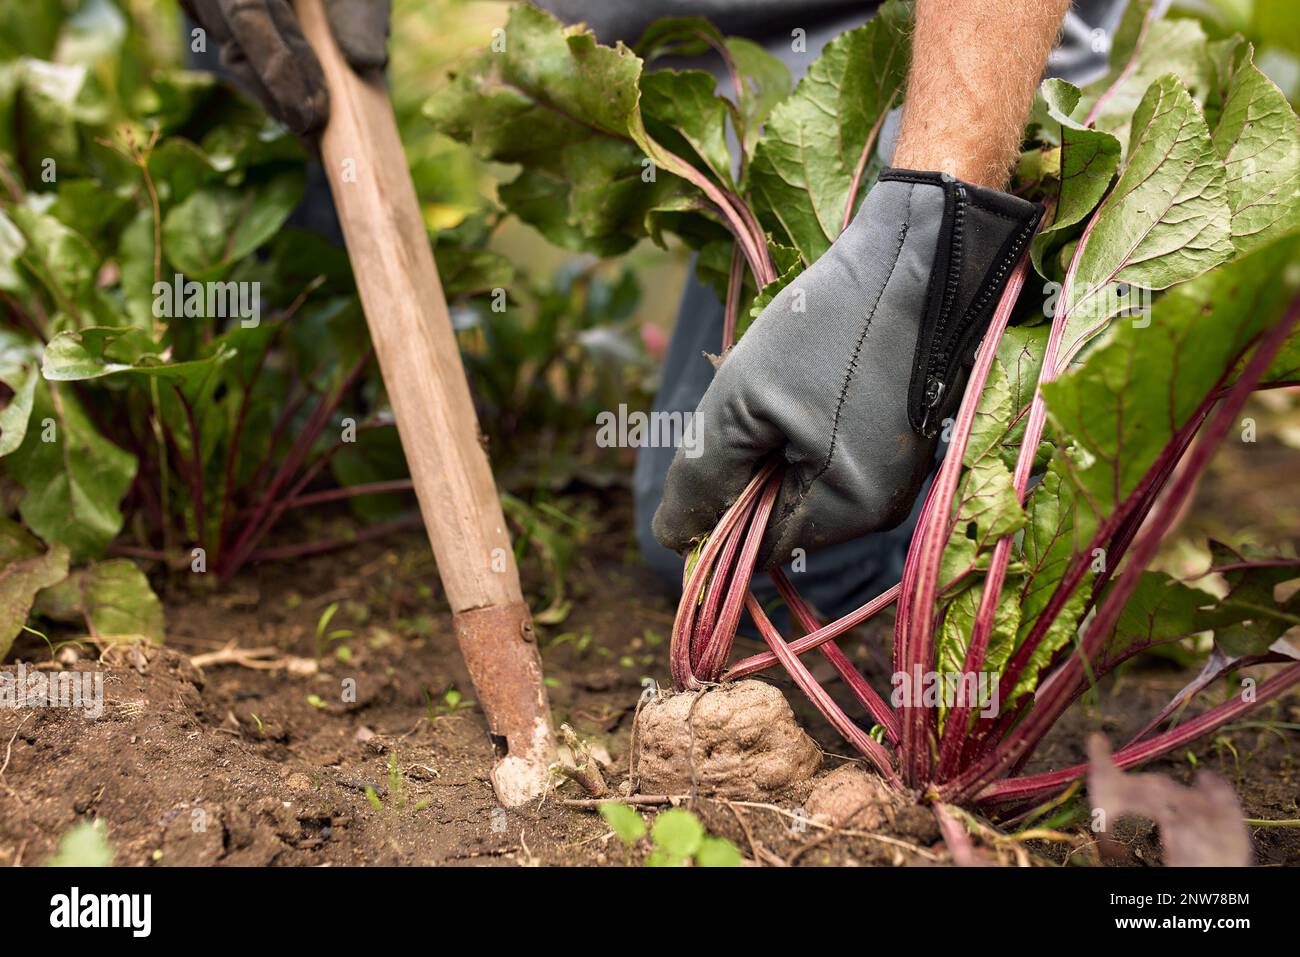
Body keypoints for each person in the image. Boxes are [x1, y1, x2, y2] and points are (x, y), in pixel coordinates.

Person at [181, 0, 1125, 620]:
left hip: (945, 46)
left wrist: (928, 227)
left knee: (816, 538)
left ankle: (1023, 536)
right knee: (710, 533)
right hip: (687, 42)